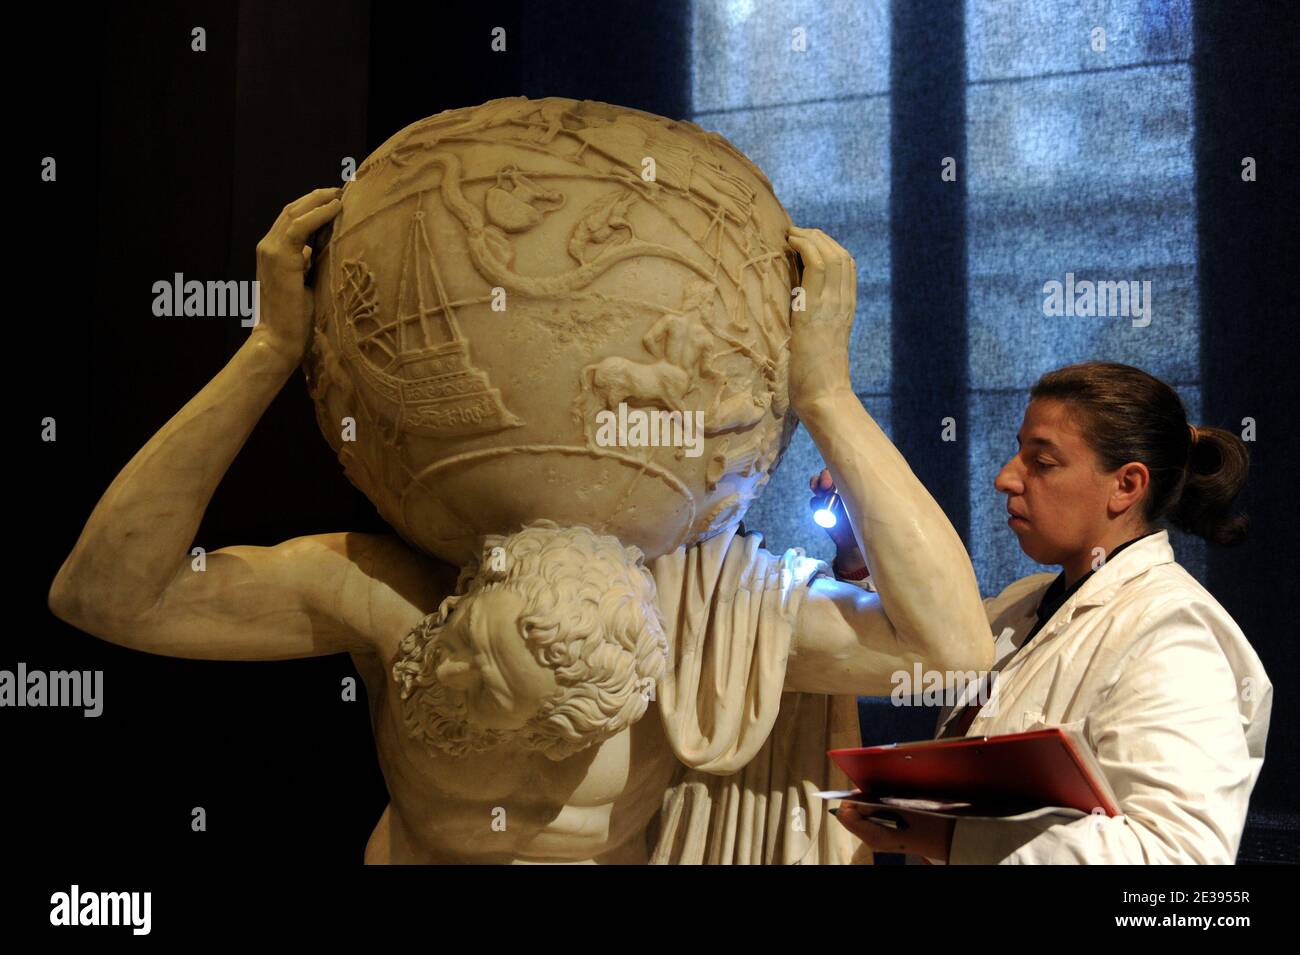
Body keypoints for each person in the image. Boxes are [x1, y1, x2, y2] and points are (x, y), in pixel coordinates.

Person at [47, 191, 994, 863]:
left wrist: (826, 389)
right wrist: (268, 349)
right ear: (477, 584)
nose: (448, 673)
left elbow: (954, 649)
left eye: (487, 681)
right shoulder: (387, 601)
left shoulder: (704, 620)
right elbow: (104, 597)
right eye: (471, 649)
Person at [822, 360, 1273, 863]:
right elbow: (912, 643)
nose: (1005, 477)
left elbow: (1177, 856)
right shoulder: (1028, 602)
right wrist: (858, 553)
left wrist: (947, 838)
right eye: (1019, 451)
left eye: (1042, 462)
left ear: (1126, 485)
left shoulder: (1175, 638)